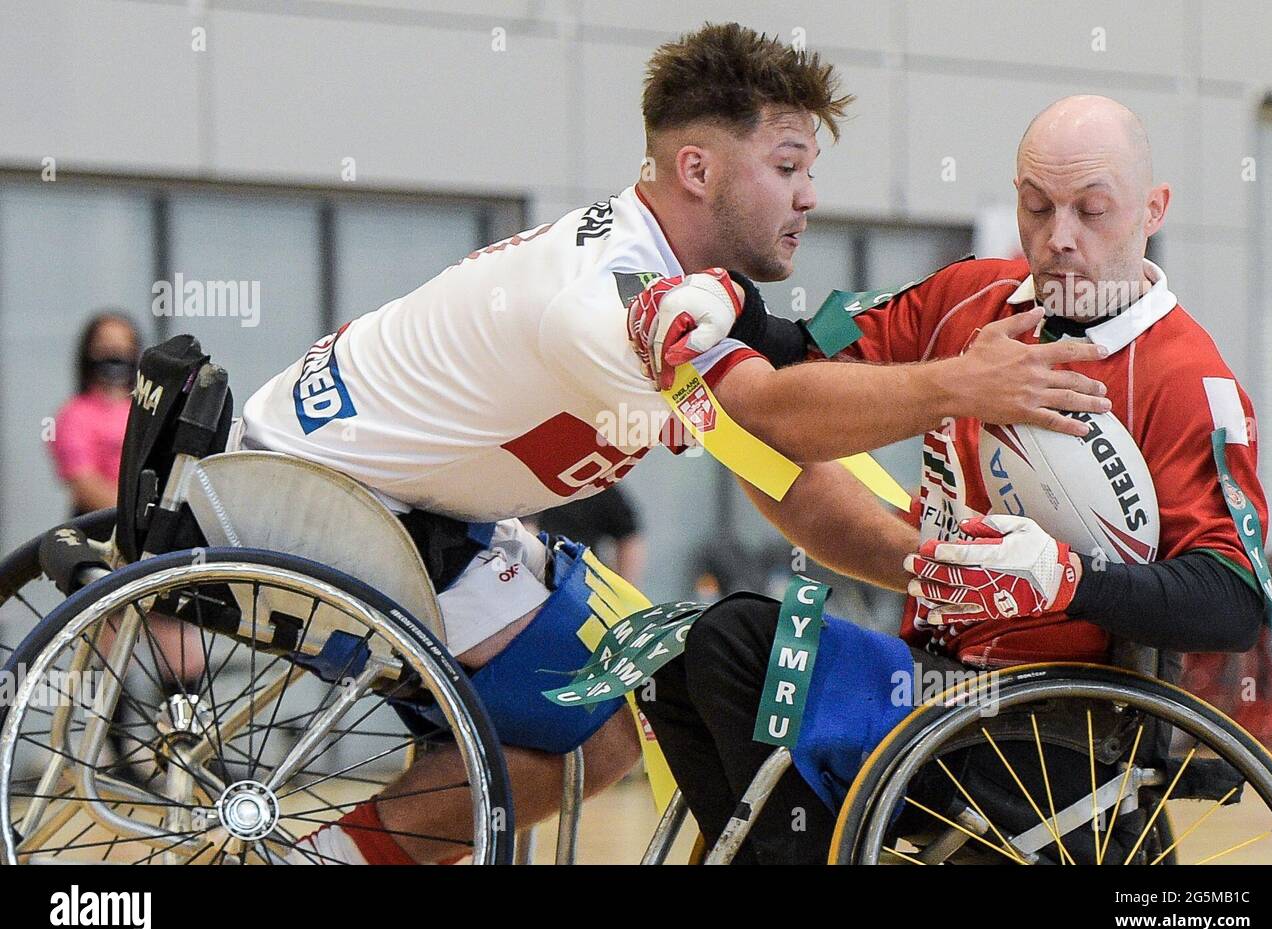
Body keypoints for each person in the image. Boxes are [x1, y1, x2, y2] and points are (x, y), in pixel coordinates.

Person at [237, 24, 1109, 864]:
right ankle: (327, 858)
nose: (810, 195)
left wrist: (935, 570)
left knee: (621, 707)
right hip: (319, 508)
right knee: (611, 702)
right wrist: (961, 383)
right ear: (696, 168)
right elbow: (774, 419)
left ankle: (342, 852)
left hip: (386, 504)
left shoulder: (665, 282)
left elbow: (784, 480)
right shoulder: (612, 300)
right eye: (788, 166)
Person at [637, 94, 1272, 863]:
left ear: (1152, 209)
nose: (1058, 239)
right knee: (679, 660)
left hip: (1060, 721)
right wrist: (723, 301)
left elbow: (1235, 602)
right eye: (1036, 207)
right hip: (931, 684)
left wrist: (1066, 579)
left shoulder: (1191, 381)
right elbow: (807, 345)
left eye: (1091, 211)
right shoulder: (968, 294)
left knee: (736, 643)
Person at [50, 311, 141, 515]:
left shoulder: (146, 411)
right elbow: (84, 486)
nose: (115, 355)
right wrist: (138, 517)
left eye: (123, 349)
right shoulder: (74, 415)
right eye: (106, 348)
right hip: (99, 529)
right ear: (89, 353)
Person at [537, 485, 645, 586]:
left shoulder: (595, 487)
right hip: (532, 570)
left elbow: (628, 537)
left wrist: (622, 592)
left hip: (576, 580)